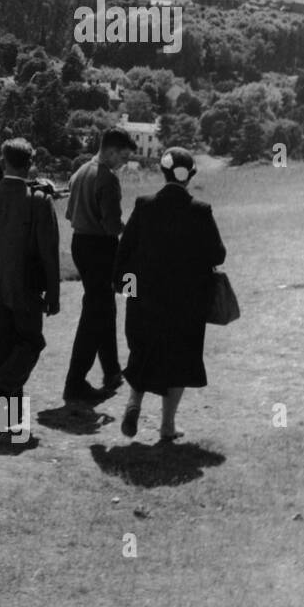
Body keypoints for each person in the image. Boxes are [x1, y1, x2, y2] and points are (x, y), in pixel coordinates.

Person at [114, 148, 226, 443]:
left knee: (143, 353)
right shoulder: (200, 211)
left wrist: (126, 290)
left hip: (145, 300)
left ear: (162, 173)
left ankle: (134, 403)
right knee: (180, 360)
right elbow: (218, 254)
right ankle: (167, 426)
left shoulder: (144, 205)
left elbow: (124, 253)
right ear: (190, 176)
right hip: (187, 303)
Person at [0, 138, 61, 418]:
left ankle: (8, 415)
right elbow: (49, 252)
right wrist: (53, 294)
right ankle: (0, 388)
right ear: (30, 164)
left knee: (6, 348)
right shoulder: (40, 201)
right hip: (27, 287)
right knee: (32, 342)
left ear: (2, 161)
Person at [62, 127, 137, 402]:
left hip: (80, 245)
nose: (125, 163)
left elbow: (70, 214)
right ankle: (75, 383)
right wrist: (132, 234)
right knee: (94, 315)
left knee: (103, 307)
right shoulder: (107, 178)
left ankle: (112, 371)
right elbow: (111, 225)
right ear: (112, 151)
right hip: (100, 248)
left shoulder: (80, 171)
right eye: (124, 156)